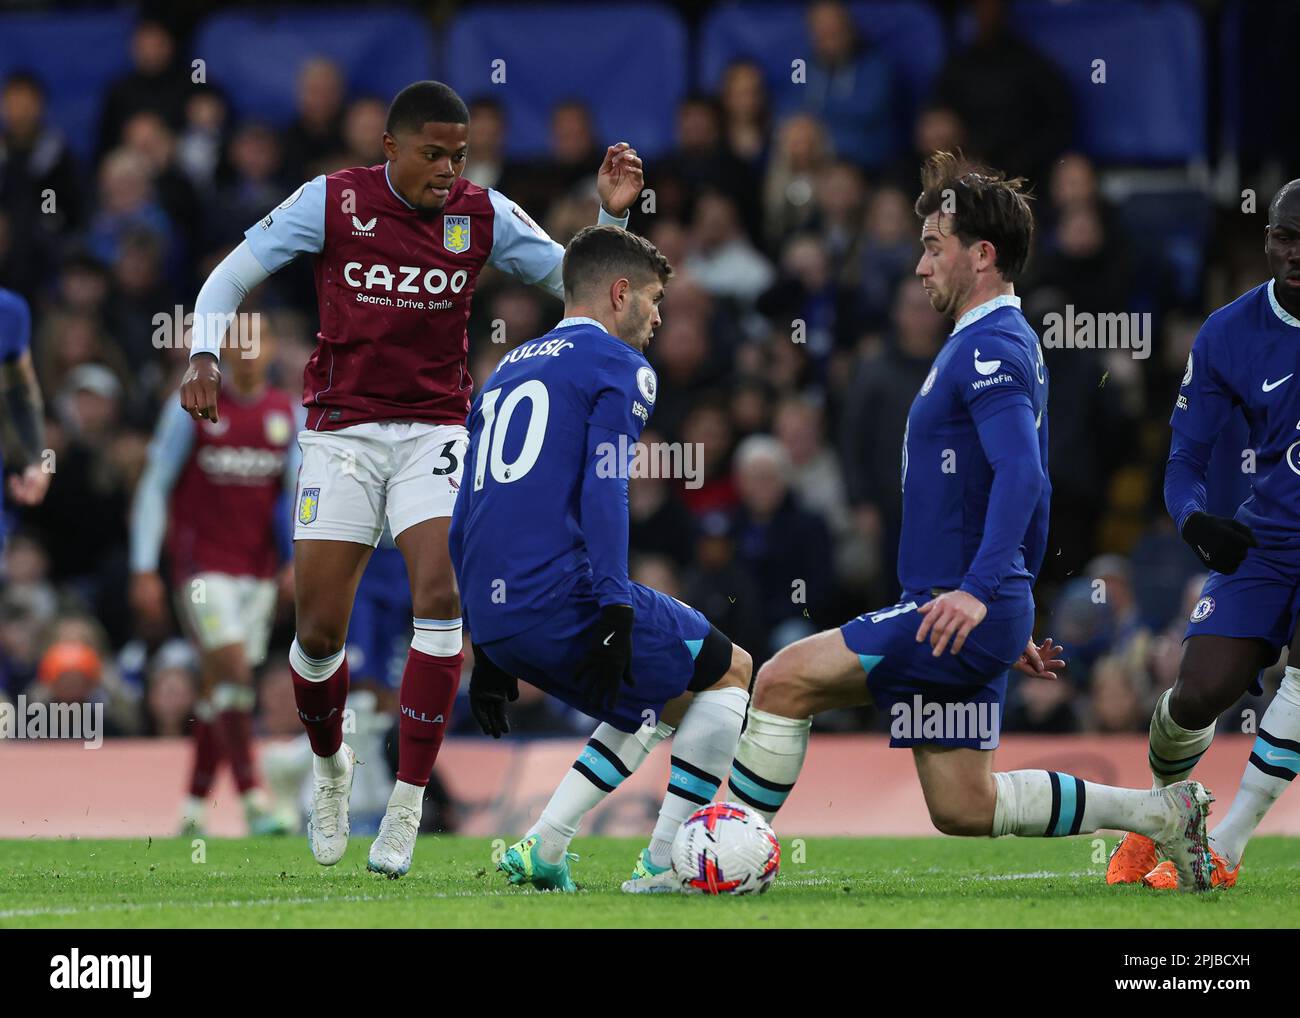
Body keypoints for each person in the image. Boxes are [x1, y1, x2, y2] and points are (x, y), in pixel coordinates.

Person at [178, 80, 644, 877]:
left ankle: (405, 804)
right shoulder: (330, 202)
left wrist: (610, 221)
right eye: (433, 154)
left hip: (435, 430)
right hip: (340, 434)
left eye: (458, 156)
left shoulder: (481, 213)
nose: (447, 171)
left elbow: (581, 286)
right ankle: (330, 771)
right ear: (389, 147)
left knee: (441, 599)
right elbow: (229, 275)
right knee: (318, 633)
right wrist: (204, 352)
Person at [725, 153, 1217, 892]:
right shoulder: (985, 343)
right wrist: (1003, 604)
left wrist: (984, 593)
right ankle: (1161, 815)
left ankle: (725, 855)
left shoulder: (987, 347)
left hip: (949, 607)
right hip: (971, 611)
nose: (921, 266)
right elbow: (1021, 487)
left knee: (783, 679)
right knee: (963, 805)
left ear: (980, 255)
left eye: (933, 246)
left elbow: (1025, 474)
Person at [449, 225, 752, 893]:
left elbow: (464, 511)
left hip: (499, 615)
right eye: (653, 299)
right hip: (563, 595)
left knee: (655, 697)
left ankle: (545, 847)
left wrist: (484, 642)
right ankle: (670, 862)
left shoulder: (507, 369)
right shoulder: (619, 366)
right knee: (731, 670)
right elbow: (606, 486)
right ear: (620, 294)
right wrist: (614, 601)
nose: (658, 315)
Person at [1109, 179, 1300, 891]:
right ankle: (1161, 815)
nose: (1296, 250)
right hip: (1271, 537)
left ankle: (1225, 847)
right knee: (1197, 693)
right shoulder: (1229, 332)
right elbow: (1185, 460)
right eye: (1286, 234)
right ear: (1268, 238)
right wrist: (1193, 520)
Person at [132, 318, 299, 835]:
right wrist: (143, 567)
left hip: (259, 574)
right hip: (201, 568)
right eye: (238, 340)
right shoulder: (193, 405)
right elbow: (155, 484)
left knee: (220, 688)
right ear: (223, 348)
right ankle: (254, 799)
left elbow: (299, 500)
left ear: (271, 347)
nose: (248, 351)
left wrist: (299, 560)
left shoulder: (286, 416)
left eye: (258, 339)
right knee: (232, 669)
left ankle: (193, 807)